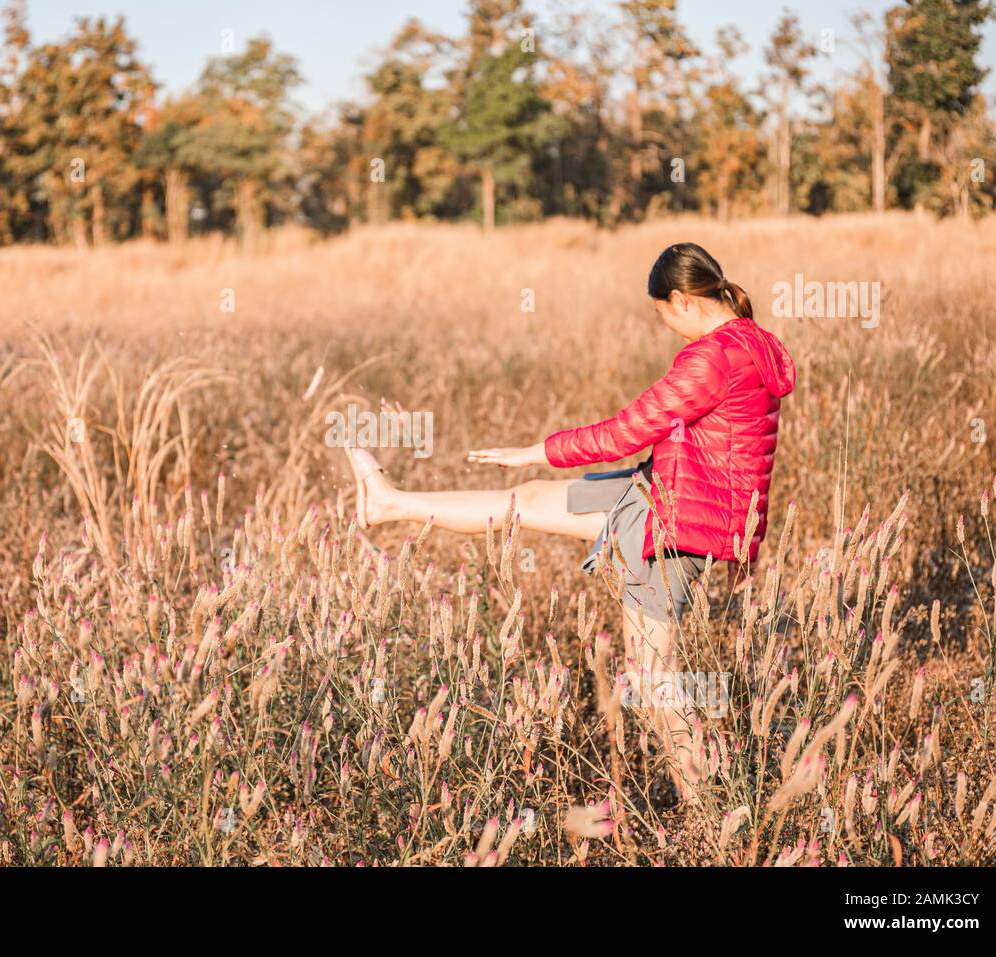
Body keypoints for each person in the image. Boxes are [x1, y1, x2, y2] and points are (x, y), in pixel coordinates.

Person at [340, 242, 797, 801]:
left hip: (673, 528)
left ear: (680, 299)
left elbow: (630, 429)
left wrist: (539, 448)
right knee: (526, 500)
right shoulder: (754, 343)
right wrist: (746, 544)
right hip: (663, 497)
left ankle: (713, 816)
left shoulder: (711, 359)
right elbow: (754, 461)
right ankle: (388, 503)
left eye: (661, 315)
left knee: (654, 682)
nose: (664, 327)